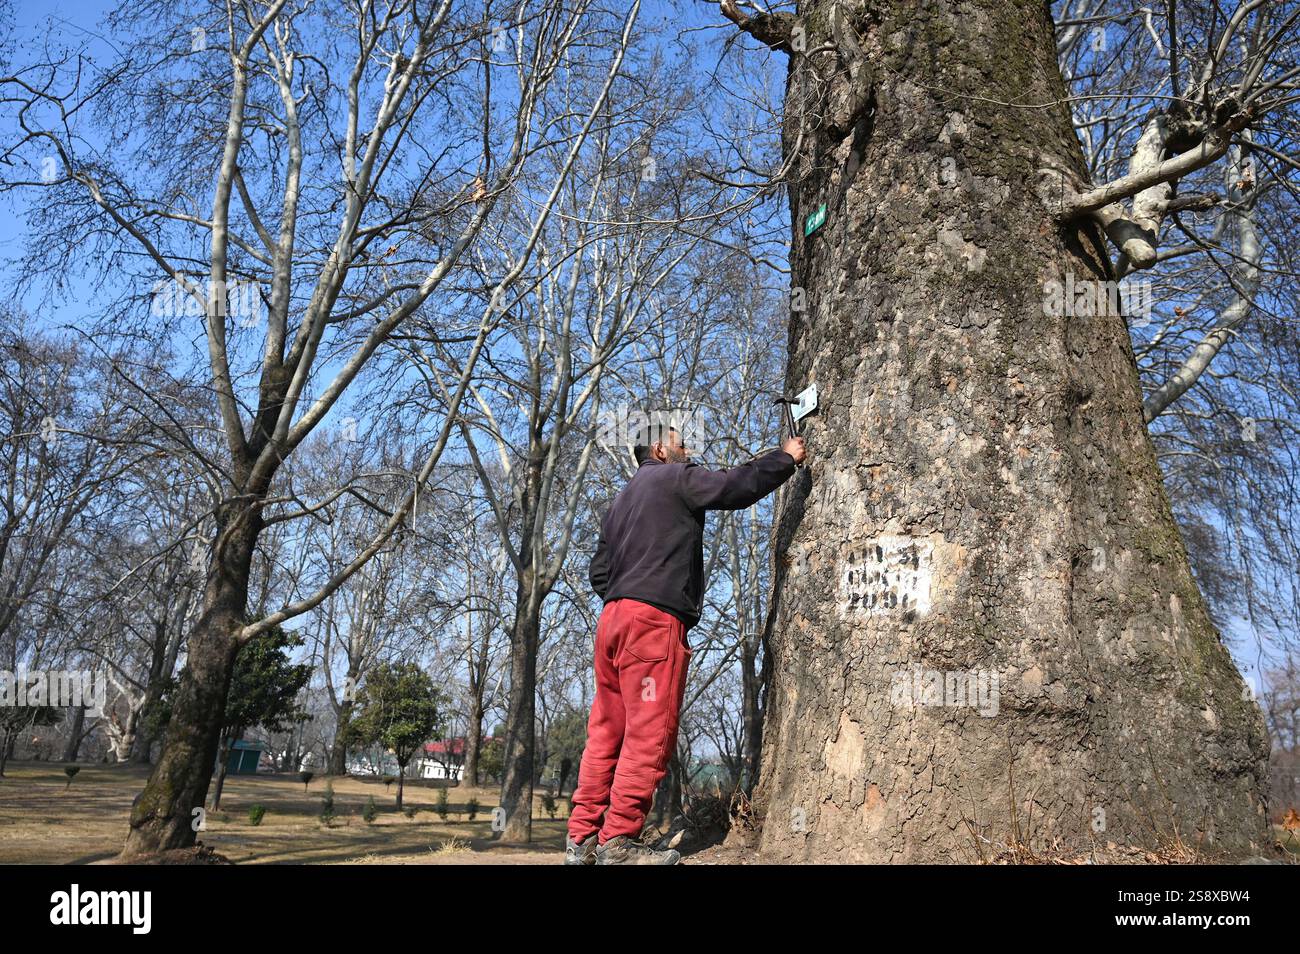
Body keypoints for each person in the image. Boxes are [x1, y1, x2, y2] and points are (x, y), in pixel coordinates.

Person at [565, 422, 806, 865]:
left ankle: (581, 840)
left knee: (605, 732)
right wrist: (785, 457)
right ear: (658, 448)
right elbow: (733, 487)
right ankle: (618, 841)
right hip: (652, 625)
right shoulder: (675, 477)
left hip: (612, 622)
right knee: (648, 732)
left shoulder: (619, 502)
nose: (688, 449)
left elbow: (599, 573)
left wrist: (628, 593)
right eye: (680, 443)